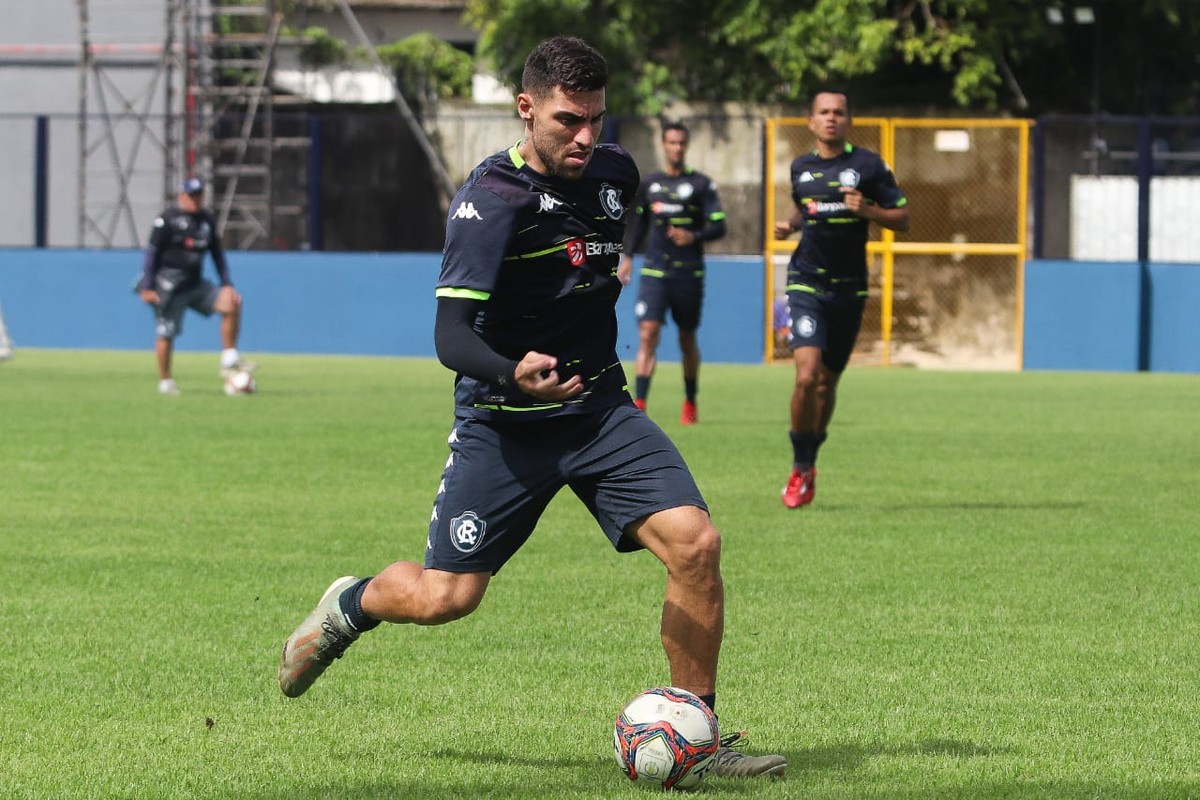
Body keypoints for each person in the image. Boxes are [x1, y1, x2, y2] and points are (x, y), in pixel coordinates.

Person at [277, 36, 786, 779]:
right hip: (505, 427)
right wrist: (514, 372)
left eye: (596, 120)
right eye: (567, 120)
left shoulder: (616, 173)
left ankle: (696, 736)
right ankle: (352, 603)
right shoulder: (490, 203)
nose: (585, 137)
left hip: (601, 412)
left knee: (695, 545)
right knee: (446, 597)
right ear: (526, 109)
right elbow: (450, 336)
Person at [774, 91, 909, 509]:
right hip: (806, 279)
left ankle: (811, 460)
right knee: (806, 375)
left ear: (848, 120)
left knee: (827, 384)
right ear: (811, 122)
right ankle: (798, 466)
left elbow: (902, 217)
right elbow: (805, 208)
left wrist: (869, 210)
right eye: (823, 113)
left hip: (850, 288)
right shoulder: (801, 167)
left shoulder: (868, 166)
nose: (831, 119)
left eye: (839, 113)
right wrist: (789, 225)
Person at [617, 122, 726, 425]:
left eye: (681, 143)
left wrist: (694, 236)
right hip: (654, 270)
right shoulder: (651, 184)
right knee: (648, 334)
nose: (676, 148)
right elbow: (638, 227)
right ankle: (640, 403)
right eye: (672, 143)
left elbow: (719, 225)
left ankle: (690, 400)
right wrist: (627, 258)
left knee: (686, 338)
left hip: (688, 273)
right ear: (664, 145)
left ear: (686, 146)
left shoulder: (702, 185)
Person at [136, 177, 252, 396]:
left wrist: (227, 284)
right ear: (182, 196)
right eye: (191, 195)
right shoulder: (167, 220)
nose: (195, 200)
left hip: (196, 283)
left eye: (199, 195)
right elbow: (152, 253)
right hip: (169, 286)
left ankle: (229, 355)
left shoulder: (206, 221)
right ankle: (166, 381)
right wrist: (148, 286)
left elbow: (217, 254)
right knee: (166, 333)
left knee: (232, 303)